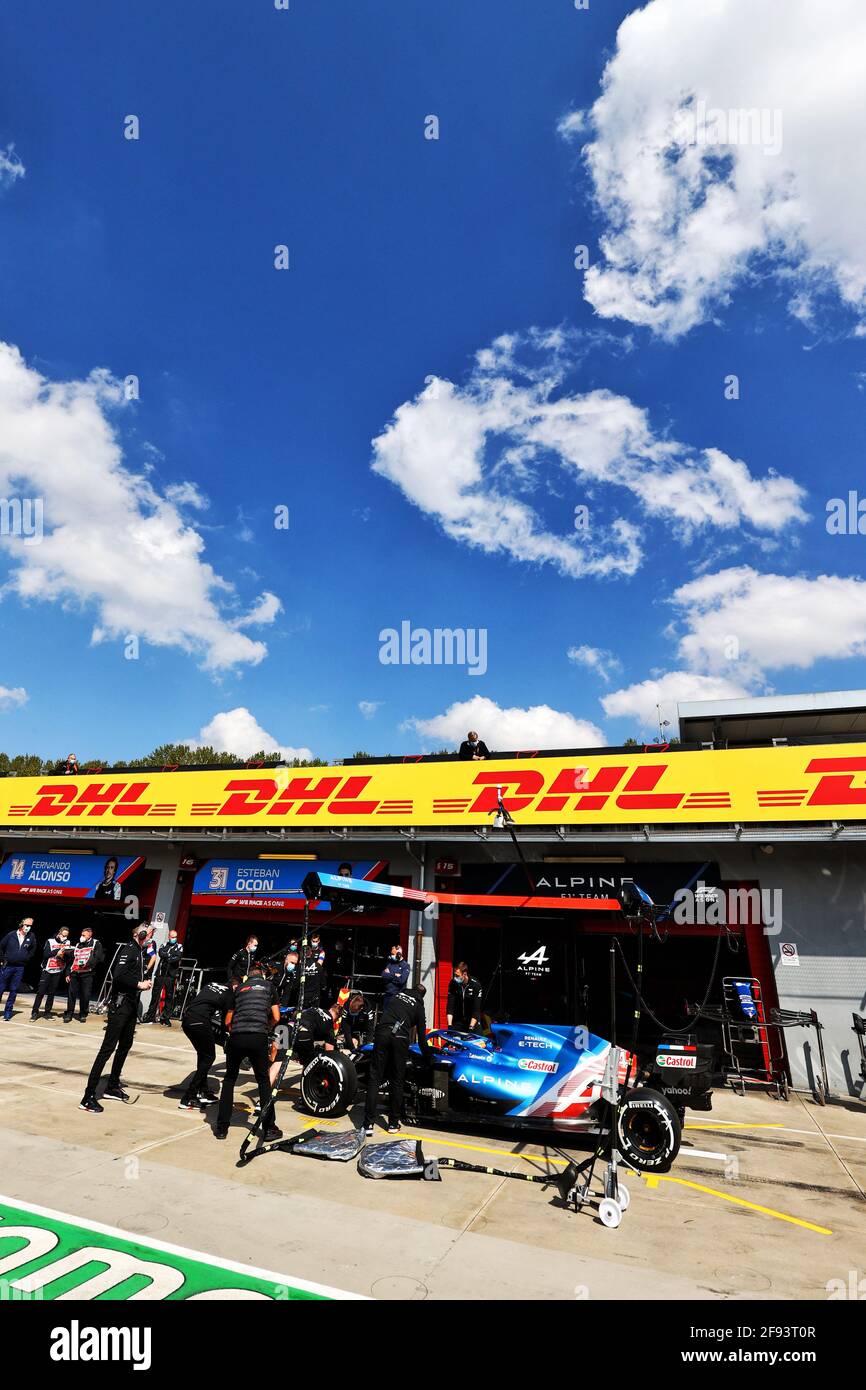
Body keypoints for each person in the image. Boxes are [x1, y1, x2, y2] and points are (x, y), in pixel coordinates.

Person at [79, 924, 152, 1112]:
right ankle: (88, 1097)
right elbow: (118, 976)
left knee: (126, 1044)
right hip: (120, 1005)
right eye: (150, 932)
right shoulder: (129, 949)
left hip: (130, 1005)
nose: (151, 935)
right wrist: (139, 984)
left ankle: (112, 1085)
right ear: (140, 934)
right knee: (107, 1048)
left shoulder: (140, 951)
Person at [214, 964, 282, 1142]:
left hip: (237, 1036)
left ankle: (222, 1128)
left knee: (229, 1079)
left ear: (247, 976)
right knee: (263, 1081)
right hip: (258, 1036)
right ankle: (269, 1129)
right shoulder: (269, 987)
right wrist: (266, 1027)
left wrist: (235, 1029)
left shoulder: (238, 990)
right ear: (262, 975)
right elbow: (276, 1016)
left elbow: (228, 1019)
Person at [364, 984, 431, 1135]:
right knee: (397, 1081)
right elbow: (421, 1040)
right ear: (422, 997)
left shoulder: (396, 997)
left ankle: (368, 1125)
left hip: (381, 1033)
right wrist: (429, 1058)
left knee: (375, 1078)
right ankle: (393, 1124)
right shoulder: (419, 1007)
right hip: (400, 1037)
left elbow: (387, 1013)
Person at [178, 978, 233, 1111]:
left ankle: (203, 1092)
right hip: (200, 1021)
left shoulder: (211, 983)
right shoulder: (230, 994)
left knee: (203, 1055)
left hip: (187, 1019)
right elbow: (227, 1021)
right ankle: (188, 1097)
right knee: (209, 1057)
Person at [143, 927, 184, 1025]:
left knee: (169, 997)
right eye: (172, 937)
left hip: (171, 975)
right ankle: (150, 1016)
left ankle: (165, 1018)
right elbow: (161, 953)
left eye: (175, 937)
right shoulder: (164, 944)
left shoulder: (179, 946)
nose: (174, 938)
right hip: (160, 974)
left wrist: (168, 956)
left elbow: (177, 957)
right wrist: (169, 955)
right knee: (155, 996)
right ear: (169, 937)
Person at [63, 927, 104, 1023]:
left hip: (87, 974)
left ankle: (83, 1014)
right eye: (81, 935)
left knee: (85, 994)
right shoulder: (78, 944)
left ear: (90, 935)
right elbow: (72, 960)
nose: (81, 937)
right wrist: (68, 973)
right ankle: (69, 1013)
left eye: (83, 935)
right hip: (75, 973)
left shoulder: (96, 943)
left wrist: (87, 964)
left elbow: (98, 958)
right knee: (71, 994)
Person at [31, 927, 73, 1020]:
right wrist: (57, 952)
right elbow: (46, 954)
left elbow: (68, 959)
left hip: (57, 970)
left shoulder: (67, 942)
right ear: (59, 933)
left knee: (52, 993)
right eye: (63, 935)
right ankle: (34, 1012)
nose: (64, 937)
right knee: (41, 992)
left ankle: (47, 1012)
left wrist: (64, 955)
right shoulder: (50, 941)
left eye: (66, 936)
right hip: (47, 970)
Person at [0, 918, 37, 1021]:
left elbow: (33, 950)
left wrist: (26, 958)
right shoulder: (11, 935)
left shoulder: (31, 936)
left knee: (14, 990)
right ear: (21, 924)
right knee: (1, 988)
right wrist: (2, 959)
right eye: (27, 925)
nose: (28, 927)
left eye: (30, 926)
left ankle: (8, 1012)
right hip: (7, 966)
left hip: (19, 967)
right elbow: (1, 946)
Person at [293, 1001, 342, 1067]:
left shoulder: (316, 1009)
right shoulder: (330, 1024)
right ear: (337, 1018)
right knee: (309, 1063)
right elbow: (329, 1052)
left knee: (279, 1060)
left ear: (330, 1009)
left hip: (288, 1027)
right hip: (304, 1033)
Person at [446, 962, 483, 1032]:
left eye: (457, 976)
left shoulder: (475, 985)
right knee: (452, 1040)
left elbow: (476, 1009)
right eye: (454, 975)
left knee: (476, 1041)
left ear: (464, 974)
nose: (455, 978)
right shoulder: (453, 983)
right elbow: (450, 1006)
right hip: (458, 1021)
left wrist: (471, 1028)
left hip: (472, 1020)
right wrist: (450, 1026)